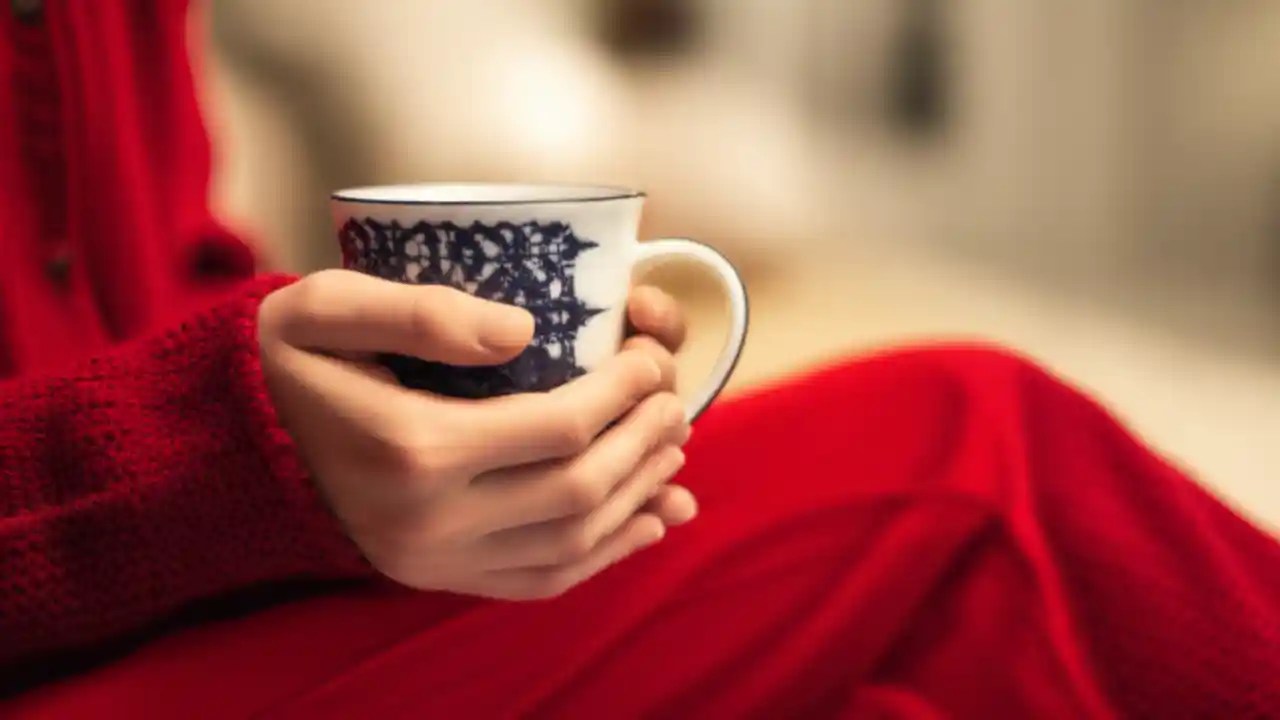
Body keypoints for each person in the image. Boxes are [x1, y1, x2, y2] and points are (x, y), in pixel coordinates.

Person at [1, 2, 1277, 718]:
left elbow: (163, 267)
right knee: (980, 459)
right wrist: (210, 450)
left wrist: (385, 395)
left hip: (189, 604)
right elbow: (174, 408)